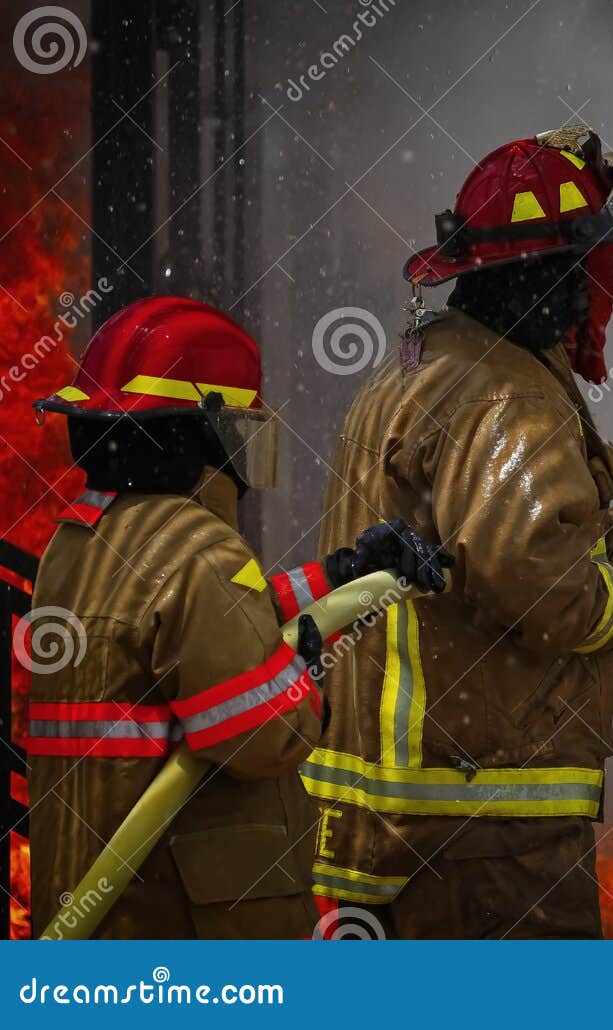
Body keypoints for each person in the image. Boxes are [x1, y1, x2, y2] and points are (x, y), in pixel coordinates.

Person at [307, 127, 613, 939]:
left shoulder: (416, 367)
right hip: (485, 839)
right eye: (576, 271)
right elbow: (547, 584)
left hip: (381, 830)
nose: (587, 296)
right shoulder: (507, 399)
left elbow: (582, 533)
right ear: (531, 275)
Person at [27, 296, 445, 938]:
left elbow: (211, 627)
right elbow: (263, 734)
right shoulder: (197, 546)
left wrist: (338, 576)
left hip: (94, 908)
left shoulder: (82, 539)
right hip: (186, 925)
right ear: (203, 431)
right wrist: (306, 659)